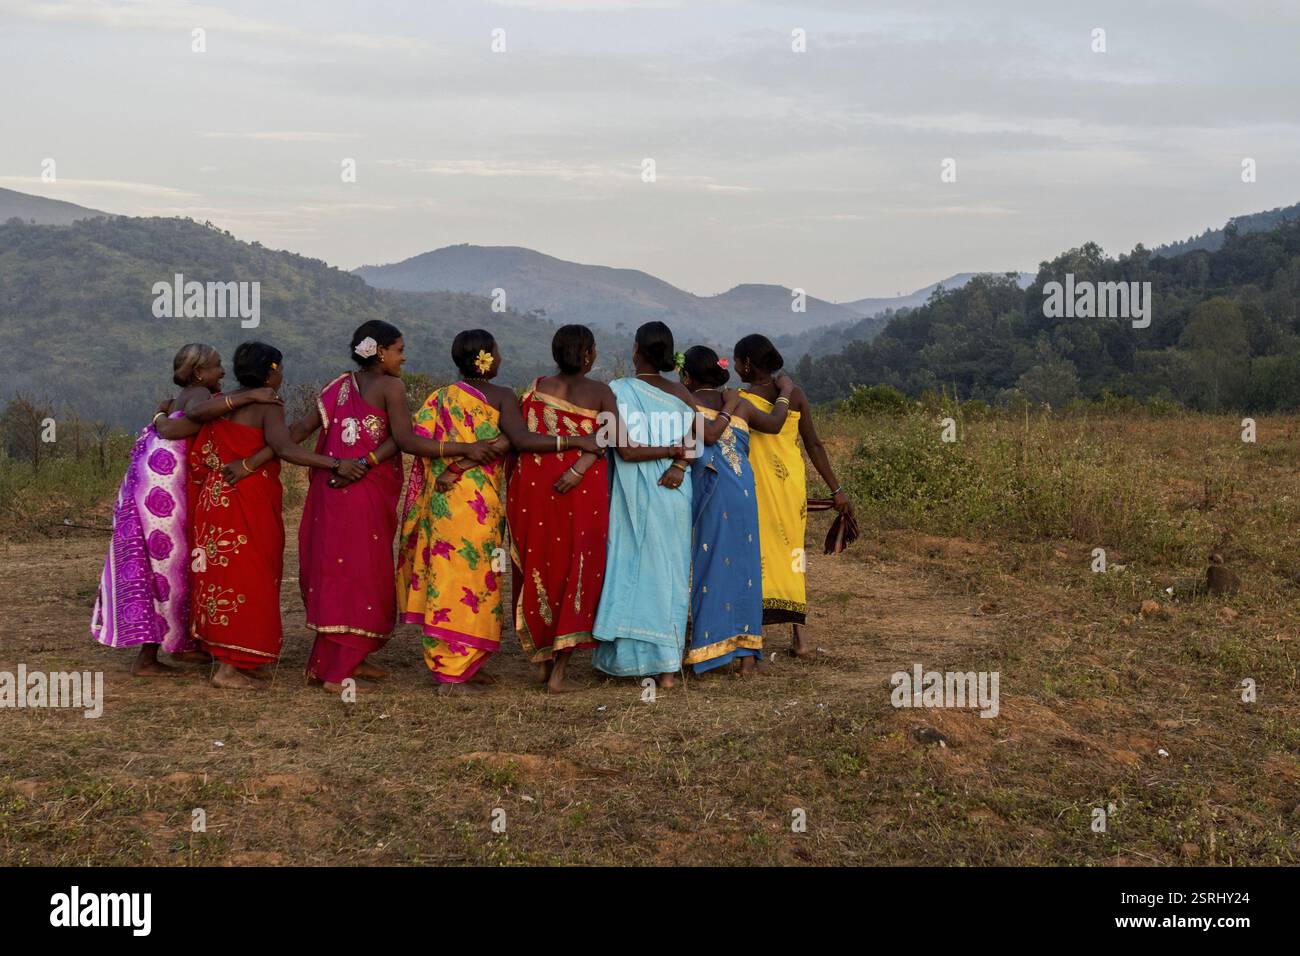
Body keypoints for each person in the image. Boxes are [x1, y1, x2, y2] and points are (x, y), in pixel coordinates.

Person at [396, 330, 601, 694]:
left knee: (449, 575)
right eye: (499, 351)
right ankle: (452, 675)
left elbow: (414, 442)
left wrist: (455, 462)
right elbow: (520, 440)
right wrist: (574, 441)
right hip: (480, 503)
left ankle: (462, 663)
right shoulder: (504, 396)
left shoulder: (440, 397)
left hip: (444, 500)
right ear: (488, 358)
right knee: (477, 578)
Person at [91, 344, 279, 676]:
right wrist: (248, 398)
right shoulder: (200, 395)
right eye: (217, 366)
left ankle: (179, 645)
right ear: (198, 373)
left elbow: (171, 423)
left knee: (164, 567)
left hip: (150, 487)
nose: (223, 372)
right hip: (162, 495)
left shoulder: (190, 395)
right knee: (167, 565)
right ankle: (151, 657)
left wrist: (161, 414)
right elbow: (178, 427)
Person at [188, 342, 365, 690]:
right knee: (252, 576)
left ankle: (230, 655)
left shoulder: (219, 403)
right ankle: (230, 669)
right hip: (247, 499)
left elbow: (197, 421)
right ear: (271, 371)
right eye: (280, 369)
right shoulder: (267, 403)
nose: (282, 375)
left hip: (214, 499)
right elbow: (285, 449)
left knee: (224, 576)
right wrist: (336, 463)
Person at [284, 320, 409, 693]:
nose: (403, 357)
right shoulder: (392, 387)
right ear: (381, 352)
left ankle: (352, 657)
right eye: (400, 350)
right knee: (362, 572)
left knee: (339, 571)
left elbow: (296, 434)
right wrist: (367, 463)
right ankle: (336, 673)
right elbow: (402, 439)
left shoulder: (336, 387)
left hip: (332, 490)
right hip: (361, 490)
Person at [591, 321, 697, 688]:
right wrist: (680, 464)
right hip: (674, 490)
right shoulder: (682, 394)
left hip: (633, 494)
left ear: (636, 350)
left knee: (631, 568)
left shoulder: (617, 391)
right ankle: (668, 669)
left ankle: (628, 662)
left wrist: (673, 455)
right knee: (668, 573)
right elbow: (697, 438)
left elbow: (623, 449)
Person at [734, 333, 853, 657]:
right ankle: (800, 639)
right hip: (790, 488)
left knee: (755, 555)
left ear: (746, 363)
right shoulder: (795, 394)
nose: (733, 367)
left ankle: (752, 636)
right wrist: (836, 489)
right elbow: (814, 445)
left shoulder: (738, 398)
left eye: (736, 360)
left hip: (755, 487)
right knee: (792, 554)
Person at [507, 325, 612, 693]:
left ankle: (542, 660)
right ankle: (559, 672)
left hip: (536, 488)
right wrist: (580, 468)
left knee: (541, 562)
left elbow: (520, 440)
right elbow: (611, 435)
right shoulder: (601, 392)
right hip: (582, 489)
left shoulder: (536, 389)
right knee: (578, 564)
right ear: (587, 354)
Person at [679, 345, 792, 676]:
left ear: (687, 376)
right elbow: (774, 424)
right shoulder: (740, 404)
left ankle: (708, 648)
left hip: (711, 492)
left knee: (711, 564)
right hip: (744, 492)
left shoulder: (687, 405)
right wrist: (784, 392)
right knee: (745, 566)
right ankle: (746, 655)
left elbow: (695, 445)